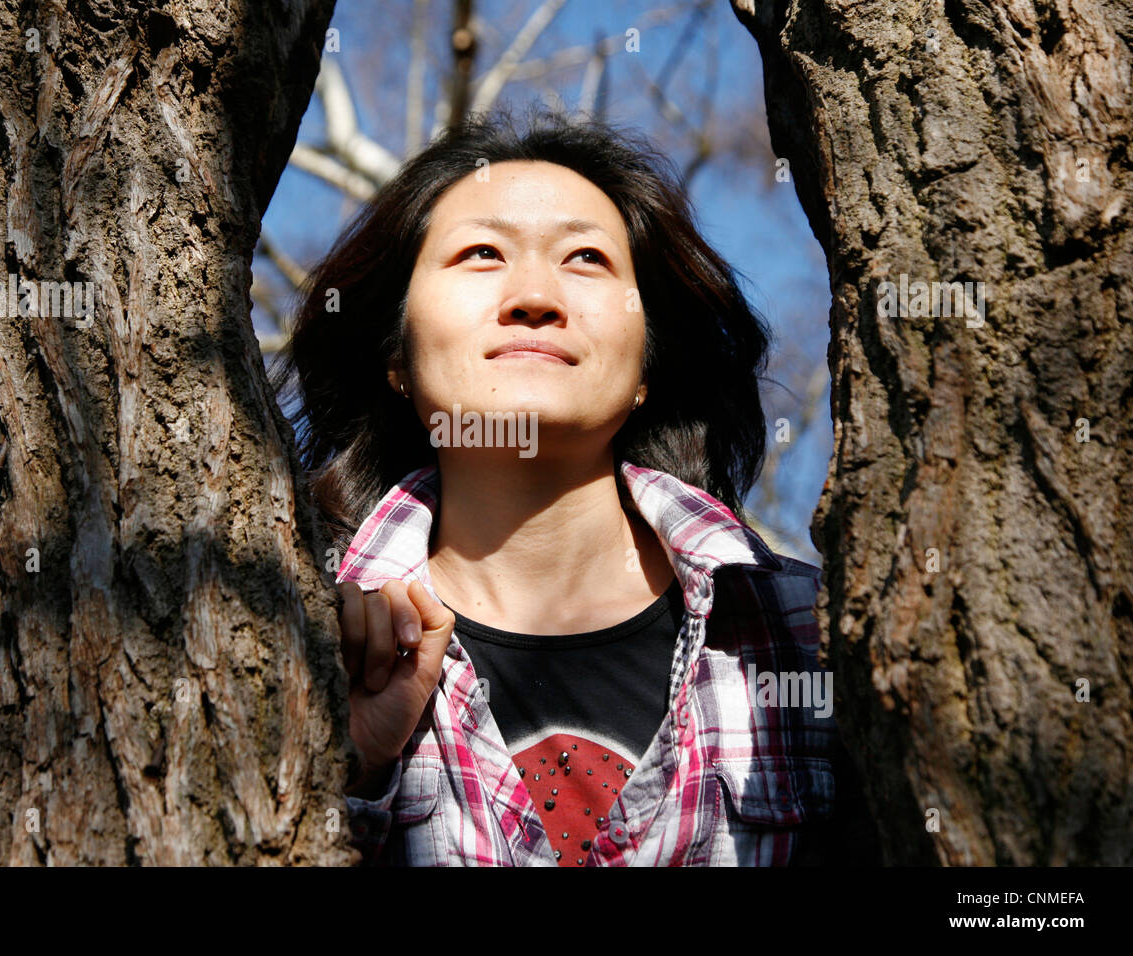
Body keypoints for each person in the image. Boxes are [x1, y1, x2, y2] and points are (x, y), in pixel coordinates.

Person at [268, 106, 879, 866]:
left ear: (648, 369)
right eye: (482, 253)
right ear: (395, 356)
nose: (534, 297)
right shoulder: (285, 633)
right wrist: (343, 772)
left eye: (586, 259)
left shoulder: (821, 639)